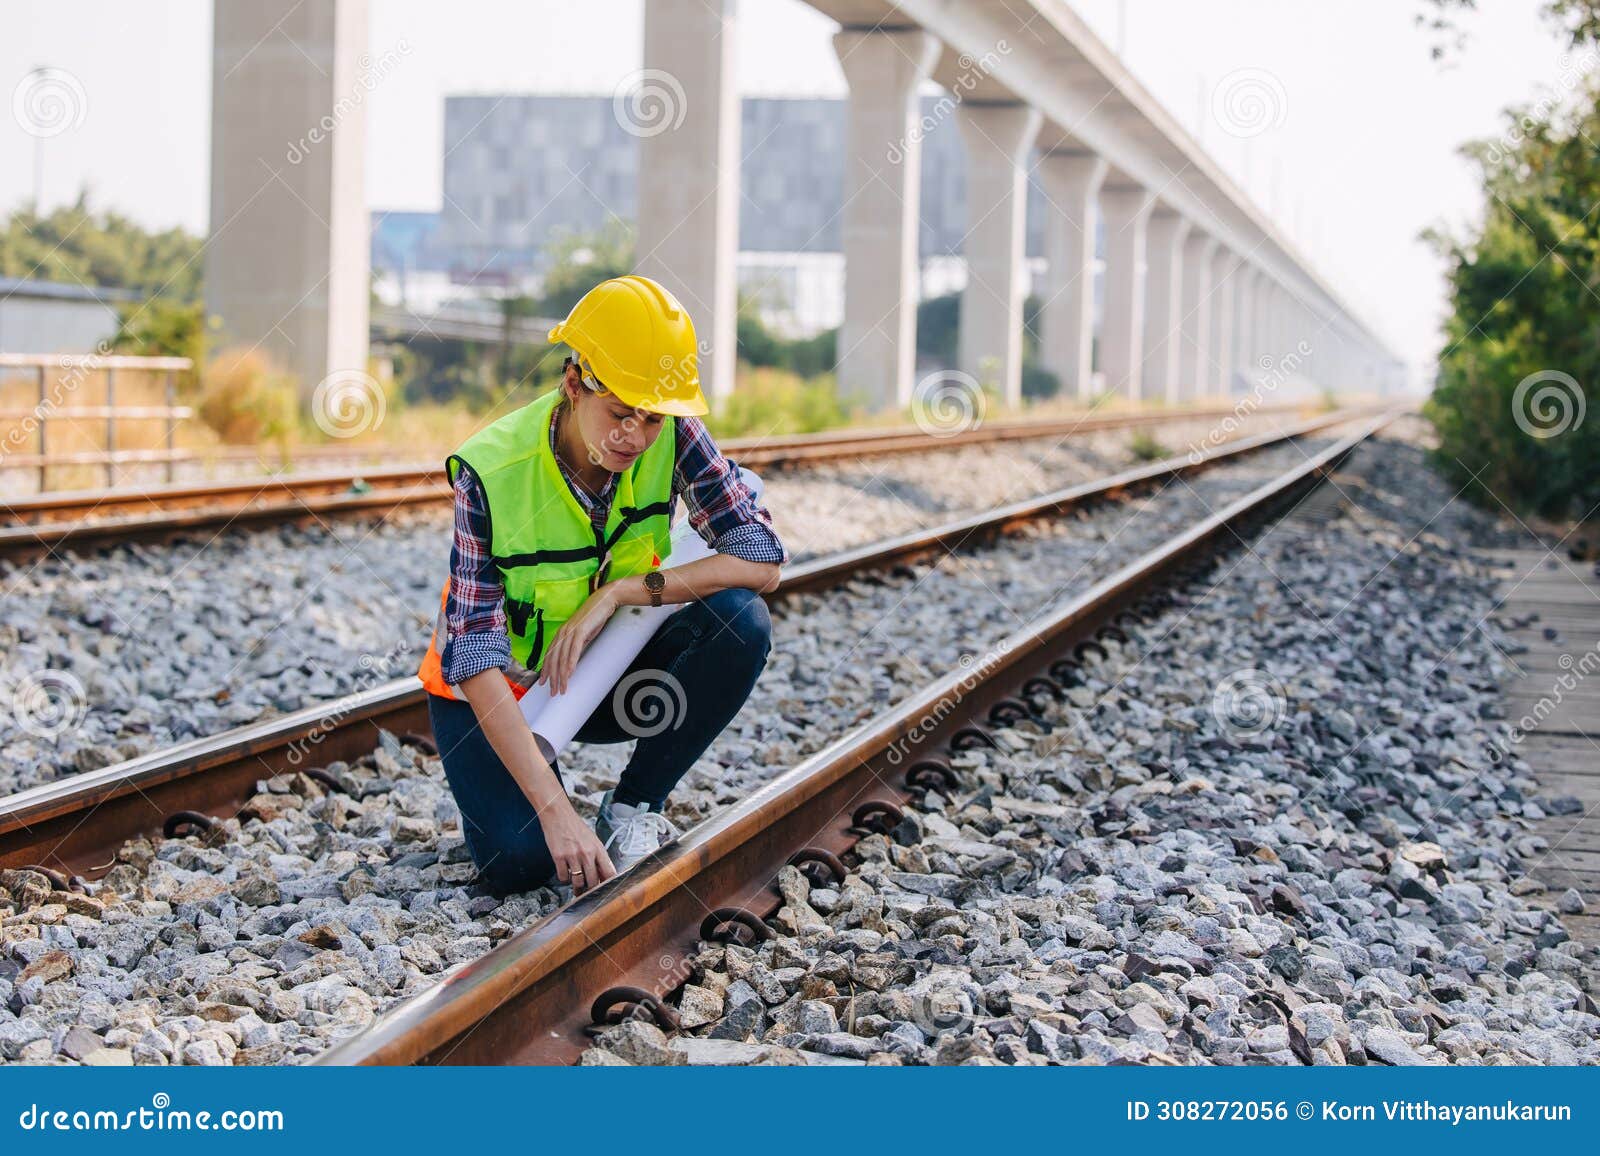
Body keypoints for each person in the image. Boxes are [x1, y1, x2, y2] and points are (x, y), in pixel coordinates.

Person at [416, 274, 786, 896]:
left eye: (650, 419)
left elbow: (761, 559)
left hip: (603, 676)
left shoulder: (670, 430)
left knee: (739, 622)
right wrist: (556, 814)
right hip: (500, 691)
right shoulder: (492, 471)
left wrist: (617, 594)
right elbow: (474, 652)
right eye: (619, 413)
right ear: (572, 383)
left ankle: (633, 807)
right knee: (522, 865)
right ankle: (528, 793)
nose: (634, 437)